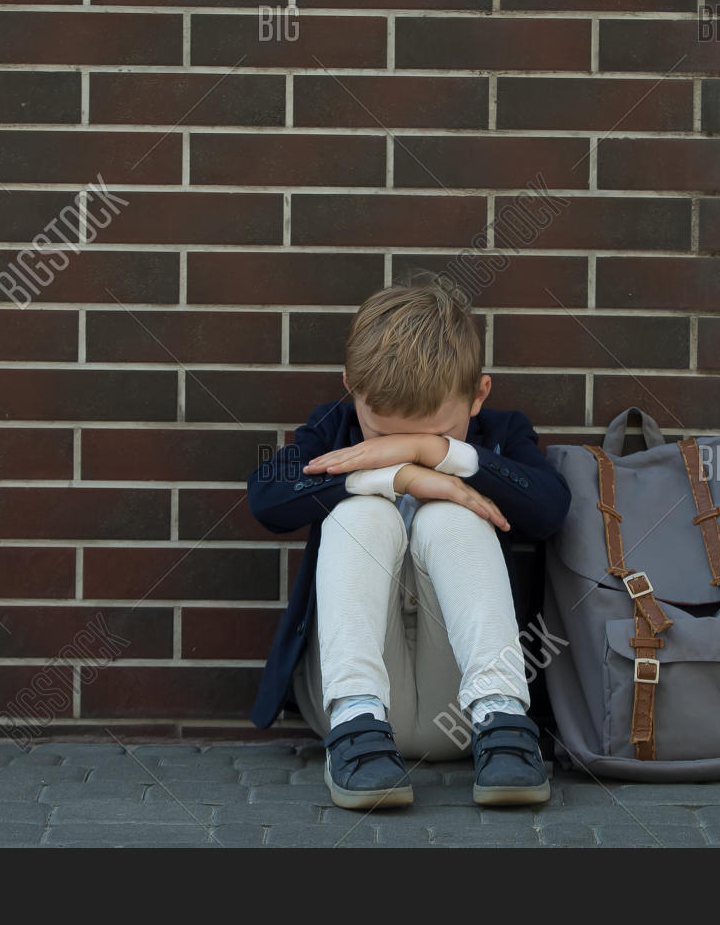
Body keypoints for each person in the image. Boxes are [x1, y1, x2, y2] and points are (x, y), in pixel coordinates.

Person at [245, 272, 572, 810]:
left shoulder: (502, 433)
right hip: (352, 712)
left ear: (477, 396)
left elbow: (550, 509)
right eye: (381, 437)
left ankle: (504, 713)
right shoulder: (334, 425)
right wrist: (395, 477)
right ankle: (356, 716)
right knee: (361, 514)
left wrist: (449, 459)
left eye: (430, 434)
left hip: (469, 712)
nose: (402, 450)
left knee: (453, 516)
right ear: (352, 388)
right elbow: (266, 498)